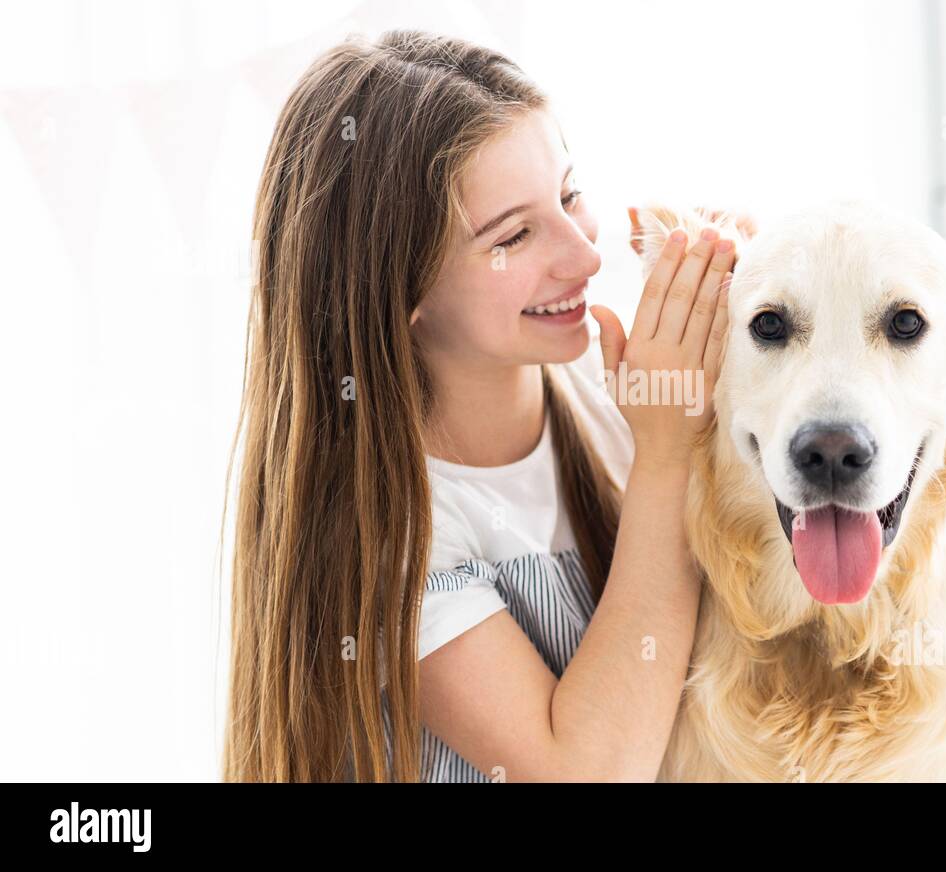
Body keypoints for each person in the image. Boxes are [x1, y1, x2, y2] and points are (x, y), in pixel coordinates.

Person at [222, 29, 735, 782]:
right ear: (402, 295)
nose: (586, 256)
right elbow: (584, 769)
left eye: (568, 196)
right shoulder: (387, 525)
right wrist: (668, 454)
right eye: (516, 235)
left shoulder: (615, 395)